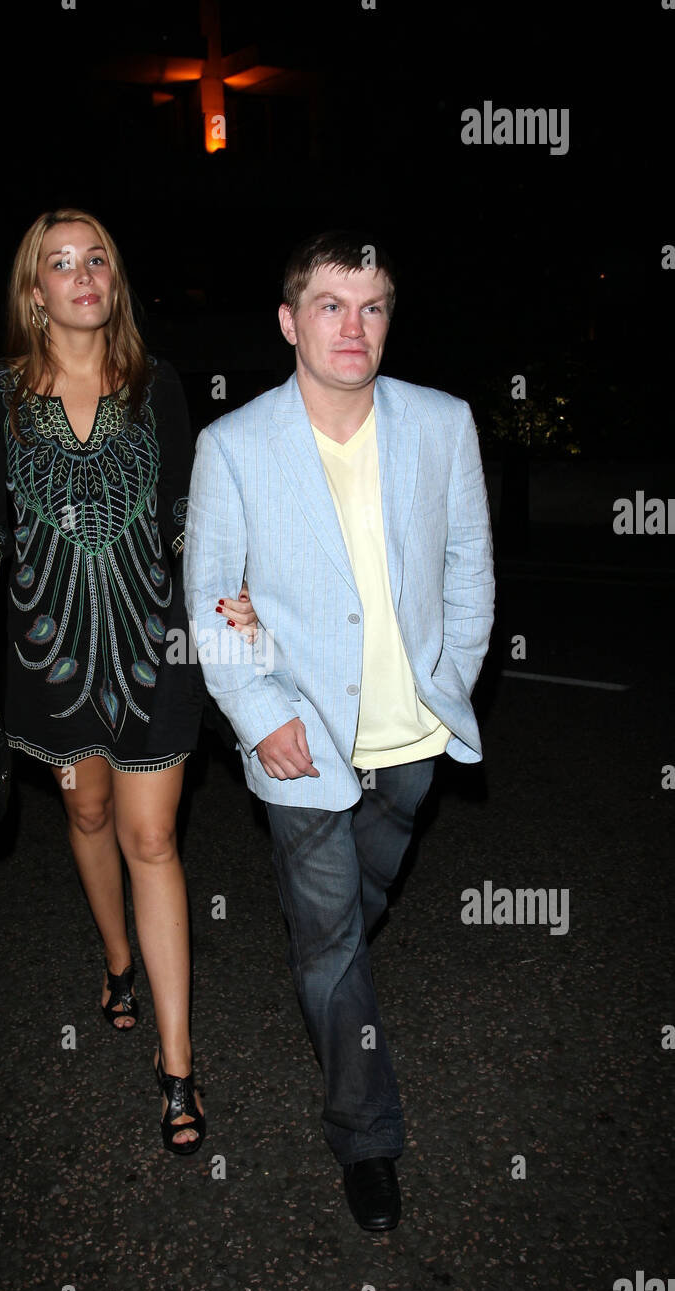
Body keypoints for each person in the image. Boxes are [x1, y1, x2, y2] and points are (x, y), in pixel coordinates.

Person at [184, 230, 494, 1225]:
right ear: (289, 321)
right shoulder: (233, 445)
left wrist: (448, 673)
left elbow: (468, 565)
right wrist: (259, 710)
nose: (352, 326)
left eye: (371, 307)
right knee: (329, 941)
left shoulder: (442, 424)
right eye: (330, 304)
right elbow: (208, 597)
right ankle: (366, 1136)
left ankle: (325, 956)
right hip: (300, 741)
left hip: (413, 739)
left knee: (355, 908)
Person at [0, 208, 256, 1154]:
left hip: (155, 648)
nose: (83, 275)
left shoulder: (155, 387)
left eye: (98, 261)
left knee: (151, 837)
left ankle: (176, 1068)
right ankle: (117, 959)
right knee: (87, 816)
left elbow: (186, 517)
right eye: (61, 263)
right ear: (34, 291)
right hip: (47, 651)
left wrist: (229, 594)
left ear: (113, 282)